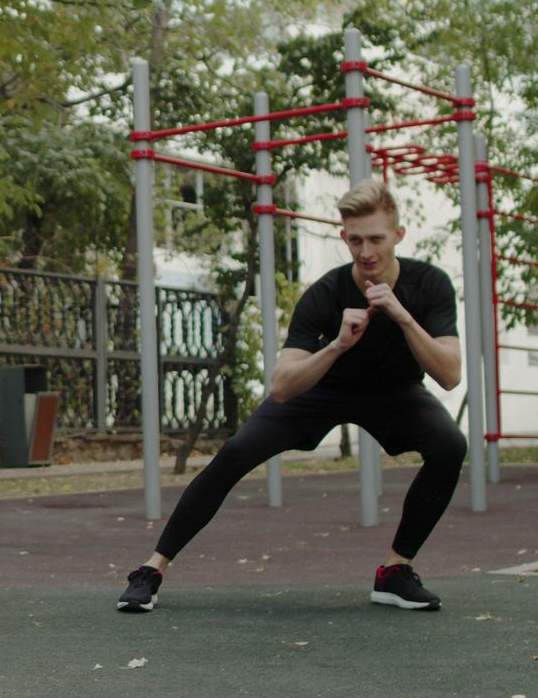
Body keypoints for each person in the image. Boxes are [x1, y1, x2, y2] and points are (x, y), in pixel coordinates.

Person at [117, 178, 466, 613]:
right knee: (235, 452)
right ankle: (152, 569)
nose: (366, 251)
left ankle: (396, 572)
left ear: (398, 235)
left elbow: (450, 375)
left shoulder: (429, 284)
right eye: (355, 240)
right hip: (324, 389)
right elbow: (282, 386)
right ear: (344, 237)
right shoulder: (325, 293)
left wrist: (402, 316)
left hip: (396, 393)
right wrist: (336, 346)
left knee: (450, 445)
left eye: (376, 239)